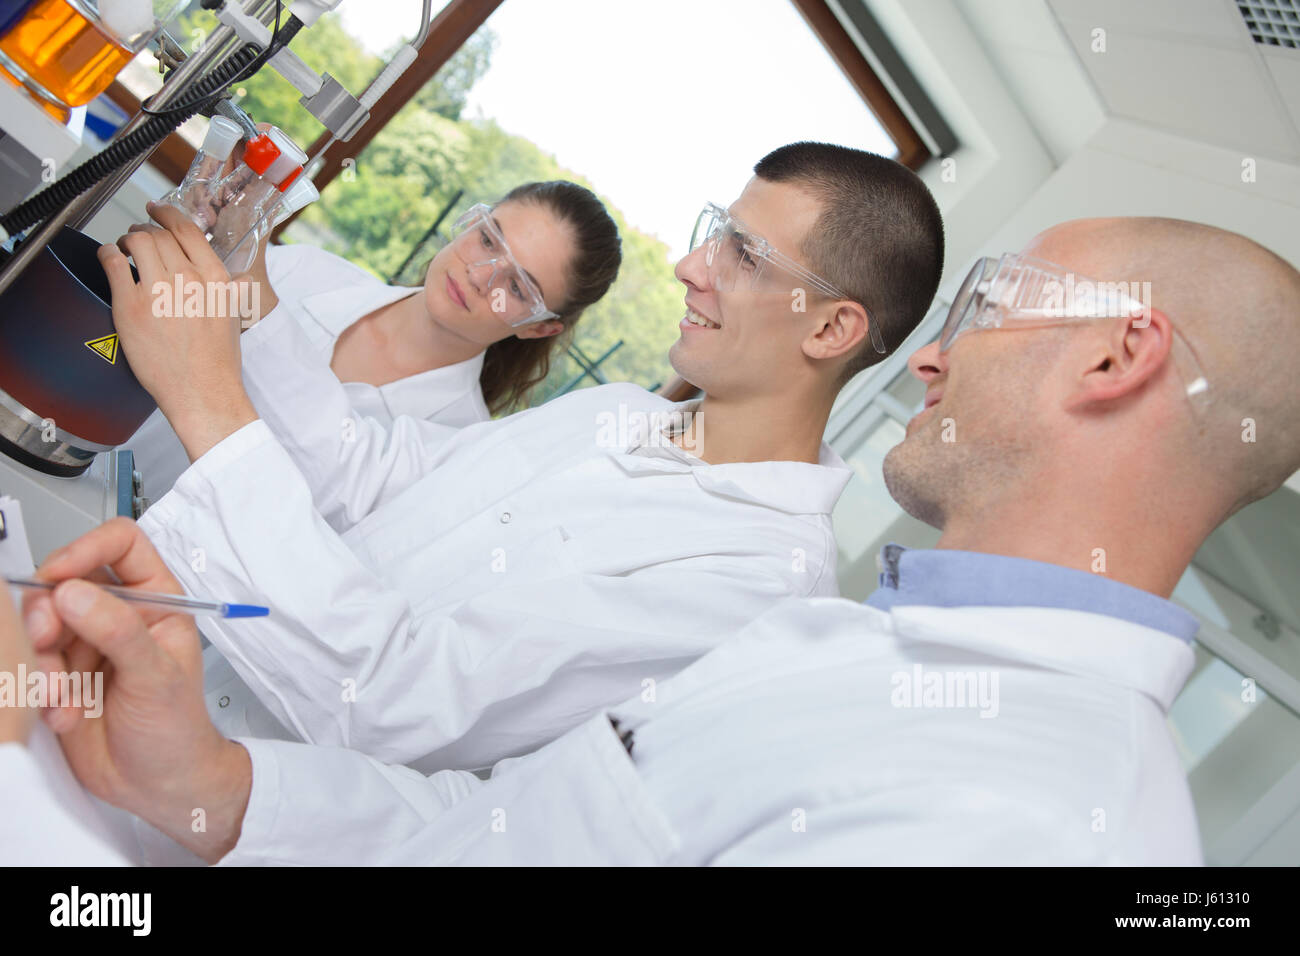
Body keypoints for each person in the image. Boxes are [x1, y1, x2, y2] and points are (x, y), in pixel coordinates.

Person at [12, 216, 1297, 865]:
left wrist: (212, 398)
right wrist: (220, 786)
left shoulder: (1039, 820)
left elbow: (402, 695)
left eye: (992, 303)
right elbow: (507, 829)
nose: (940, 353)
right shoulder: (846, 641)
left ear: (1119, 355)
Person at [78, 142, 945, 773]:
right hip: (158, 689)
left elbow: (394, 704)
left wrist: (207, 399)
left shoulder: (758, 587)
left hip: (231, 800)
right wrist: (244, 322)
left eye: (745, 256)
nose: (689, 267)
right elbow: (367, 477)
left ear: (833, 328)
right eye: (716, 232)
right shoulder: (617, 414)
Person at [125, 180, 623, 504]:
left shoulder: (454, 446)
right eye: (489, 239)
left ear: (538, 327)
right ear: (473, 220)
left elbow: (335, 484)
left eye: (517, 287)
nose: (479, 274)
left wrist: (251, 298)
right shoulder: (309, 271)